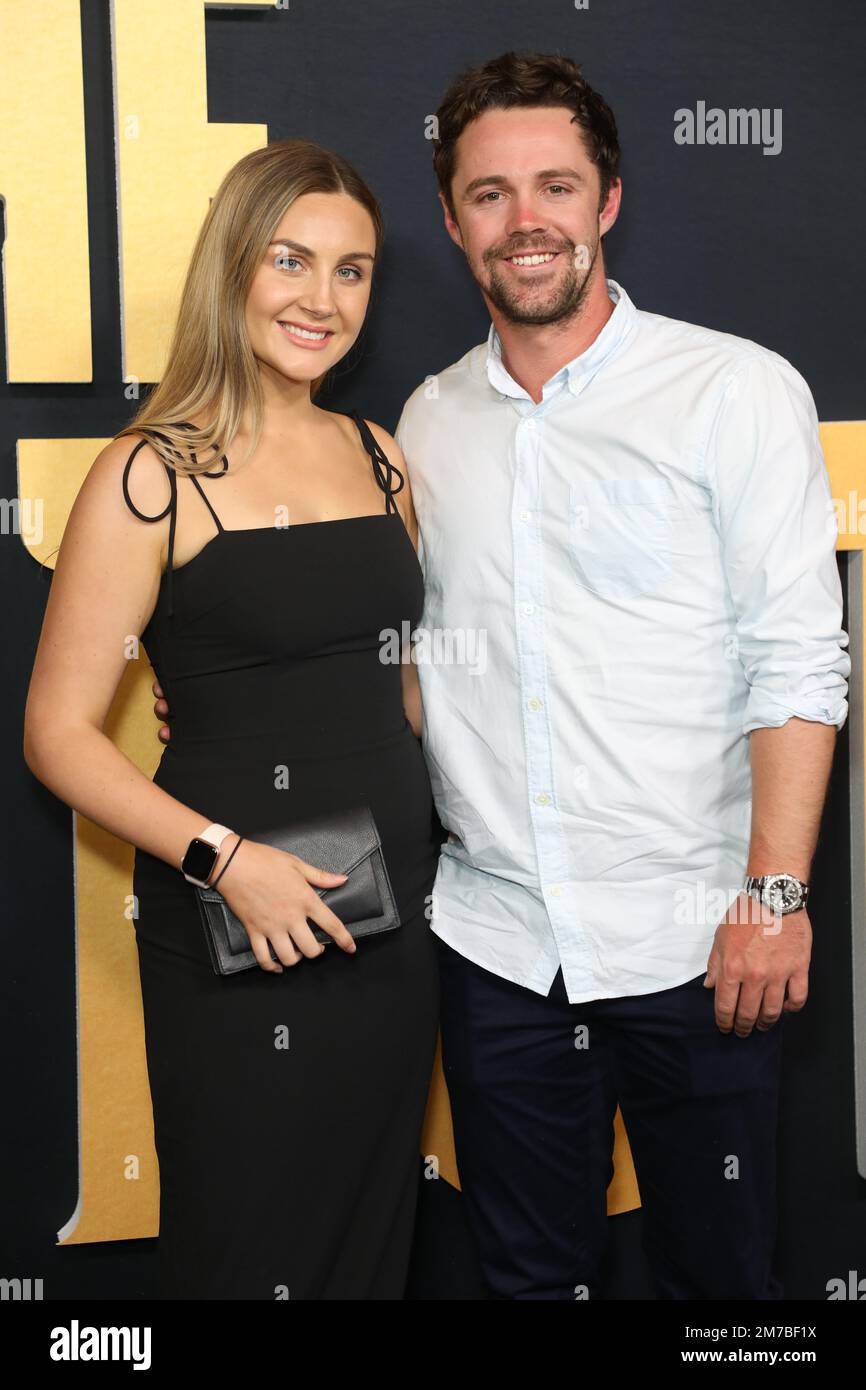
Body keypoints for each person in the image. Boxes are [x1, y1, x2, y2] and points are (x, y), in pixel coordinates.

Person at [23, 139, 442, 1300]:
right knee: (251, 1241)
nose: (322, 299)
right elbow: (57, 732)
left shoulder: (380, 457)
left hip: (390, 917)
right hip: (239, 922)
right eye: (291, 261)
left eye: (351, 271)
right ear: (232, 268)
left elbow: (394, 684)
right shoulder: (147, 475)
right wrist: (227, 858)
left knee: (369, 1239)